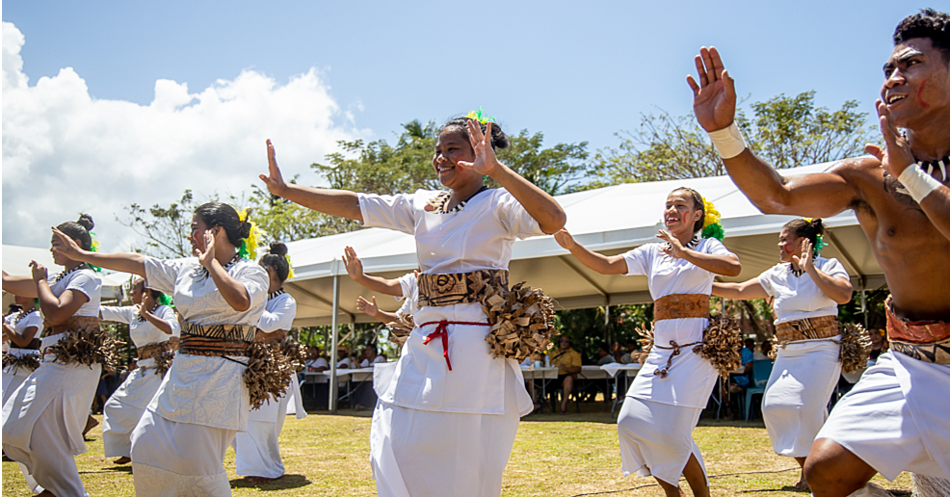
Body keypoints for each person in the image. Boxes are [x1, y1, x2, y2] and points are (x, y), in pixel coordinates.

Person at [688, 10, 950, 495]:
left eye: (910, 65)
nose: (893, 78)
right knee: (824, 472)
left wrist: (909, 172)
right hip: (910, 362)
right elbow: (777, 196)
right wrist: (724, 133)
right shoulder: (869, 176)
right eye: (888, 70)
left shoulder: (895, 170)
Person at [261, 113, 566, 497]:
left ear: (481, 151)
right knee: (394, 443)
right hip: (423, 345)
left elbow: (554, 219)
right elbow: (358, 205)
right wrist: (288, 191)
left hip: (473, 350)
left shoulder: (498, 204)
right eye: (437, 150)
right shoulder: (424, 204)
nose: (440, 157)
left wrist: (498, 171)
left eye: (451, 149)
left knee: (462, 454)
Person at [49, 202, 269, 497]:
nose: (190, 234)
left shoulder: (251, 271)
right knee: (145, 445)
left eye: (195, 227)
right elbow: (139, 262)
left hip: (222, 376)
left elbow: (240, 301)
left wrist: (211, 263)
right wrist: (84, 255)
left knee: (197, 463)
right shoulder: (187, 269)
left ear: (215, 232)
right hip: (182, 373)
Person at [555, 187, 740, 497]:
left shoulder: (708, 245)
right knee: (632, 422)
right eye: (667, 205)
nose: (670, 210)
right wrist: (573, 246)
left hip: (696, 352)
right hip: (660, 353)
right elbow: (608, 265)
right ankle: (672, 493)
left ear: (696, 215)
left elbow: (733, 267)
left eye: (679, 205)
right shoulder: (652, 251)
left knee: (673, 432)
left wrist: (684, 253)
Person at [713, 218, 852, 491]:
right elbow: (741, 290)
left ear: (804, 243)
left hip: (822, 348)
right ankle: (808, 467)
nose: (779, 244)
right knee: (774, 405)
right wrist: (703, 287)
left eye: (784, 238)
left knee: (809, 408)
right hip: (790, 350)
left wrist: (810, 268)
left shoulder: (829, 266)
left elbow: (844, 295)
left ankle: (820, 472)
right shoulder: (777, 273)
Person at [0, 214, 104, 497]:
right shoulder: (61, 278)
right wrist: (42, 282)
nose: (51, 249)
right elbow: (6, 281)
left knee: (42, 433)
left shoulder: (87, 276)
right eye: (51, 243)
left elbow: (57, 312)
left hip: (71, 366)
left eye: (56, 243)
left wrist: (41, 283)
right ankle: (58, 489)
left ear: (77, 244)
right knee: (13, 426)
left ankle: (63, 491)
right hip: (52, 363)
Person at [231, 241, 305, 482]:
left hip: (272, 369)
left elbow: (272, 325)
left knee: (262, 421)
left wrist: (254, 304)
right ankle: (255, 467)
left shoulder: (286, 301)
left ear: (269, 273)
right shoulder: (259, 300)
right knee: (242, 418)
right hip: (247, 363)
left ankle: (265, 469)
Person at [99, 277, 179, 465]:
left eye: (135, 289)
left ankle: (144, 450)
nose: (131, 293)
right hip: (141, 368)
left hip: (159, 370)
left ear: (148, 292)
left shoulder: (163, 310)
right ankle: (129, 448)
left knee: (146, 411)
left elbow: (172, 329)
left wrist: (146, 313)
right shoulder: (132, 312)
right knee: (116, 406)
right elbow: (104, 312)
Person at [0, 295, 43, 493]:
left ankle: (39, 481)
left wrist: (4, 326)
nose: (16, 293)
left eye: (21, 290)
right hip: (10, 369)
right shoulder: (16, 317)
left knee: (14, 421)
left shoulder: (35, 316)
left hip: (25, 370)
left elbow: (24, 341)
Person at [549, 335, 583, 414]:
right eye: (561, 341)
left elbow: (578, 369)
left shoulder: (574, 354)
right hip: (552, 375)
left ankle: (564, 404)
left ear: (569, 343)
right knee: (535, 380)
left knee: (569, 379)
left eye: (566, 341)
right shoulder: (553, 353)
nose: (563, 343)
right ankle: (536, 403)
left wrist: (566, 368)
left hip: (566, 375)